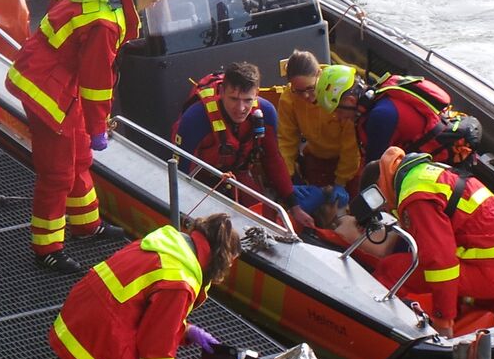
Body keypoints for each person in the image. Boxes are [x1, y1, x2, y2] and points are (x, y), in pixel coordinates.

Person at [7, 0, 171, 273]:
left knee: (79, 158)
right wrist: (98, 127)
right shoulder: (105, 23)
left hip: (53, 81)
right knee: (57, 173)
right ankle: (47, 248)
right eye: (153, 0)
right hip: (48, 92)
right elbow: (96, 83)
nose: (152, 7)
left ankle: (86, 223)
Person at [47, 214, 242, 359]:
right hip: (99, 335)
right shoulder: (179, 282)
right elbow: (154, 354)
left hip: (76, 323)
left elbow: (142, 312)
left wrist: (187, 331)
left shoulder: (167, 246)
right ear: (220, 259)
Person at [357, 147, 494, 337]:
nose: (384, 208)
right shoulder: (425, 172)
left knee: (391, 270)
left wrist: (443, 320)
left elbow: (441, 263)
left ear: (379, 186)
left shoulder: (414, 196)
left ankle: (371, 328)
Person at [172, 61, 316, 231]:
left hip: (239, 175)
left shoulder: (266, 112)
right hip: (203, 183)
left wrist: (295, 207)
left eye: (247, 100)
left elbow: (273, 159)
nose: (240, 108)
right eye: (233, 99)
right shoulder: (196, 119)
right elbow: (181, 177)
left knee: (266, 220)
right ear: (222, 92)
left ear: (256, 95)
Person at [265, 50, 359, 218]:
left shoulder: (338, 94)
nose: (306, 96)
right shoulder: (289, 98)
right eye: (299, 91)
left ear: (319, 74)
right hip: (316, 157)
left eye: (310, 88)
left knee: (351, 209)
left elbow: (351, 147)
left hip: (348, 163)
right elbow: (286, 140)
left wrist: (341, 182)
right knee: (316, 210)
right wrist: (288, 179)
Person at [315, 64, 460, 166]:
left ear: (350, 101)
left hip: (441, 162)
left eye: (338, 111)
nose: (339, 117)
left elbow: (375, 171)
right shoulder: (380, 96)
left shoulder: (379, 117)